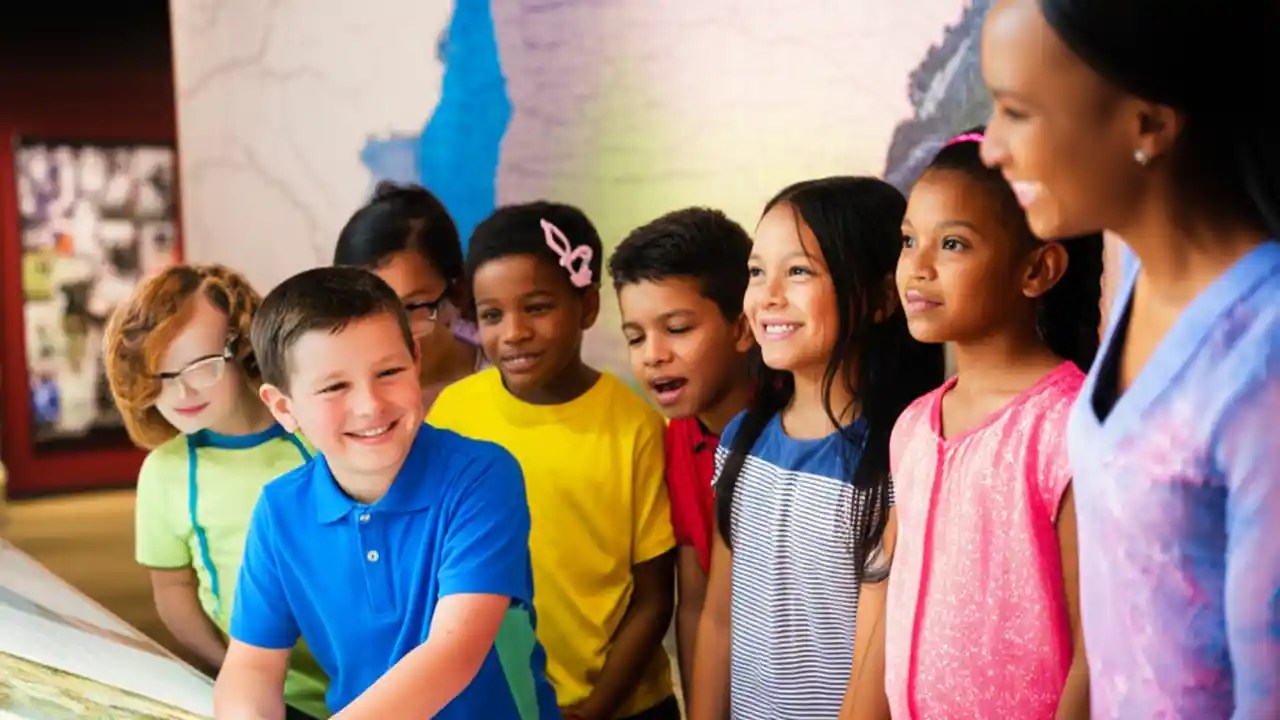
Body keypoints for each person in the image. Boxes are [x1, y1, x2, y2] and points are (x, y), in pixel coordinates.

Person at [980, 0, 1280, 716]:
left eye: (1017, 112)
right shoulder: (1140, 276)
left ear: (1148, 125)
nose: (990, 147)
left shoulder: (1263, 360)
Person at [212, 267, 558, 719]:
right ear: (283, 407)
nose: (370, 405)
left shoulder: (481, 477)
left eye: (389, 372)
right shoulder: (280, 512)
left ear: (416, 359)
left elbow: (452, 655)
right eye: (335, 387)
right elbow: (252, 665)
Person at [847, 129, 1101, 720]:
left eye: (953, 244)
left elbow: (1097, 654)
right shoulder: (913, 427)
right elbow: (890, 612)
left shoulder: (1067, 428)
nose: (917, 268)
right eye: (909, 240)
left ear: (1037, 269)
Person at [690, 177, 944, 720]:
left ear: (880, 298)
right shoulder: (741, 442)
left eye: (799, 271)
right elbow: (718, 619)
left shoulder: (903, 462)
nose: (768, 296)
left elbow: (885, 657)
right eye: (757, 272)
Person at [429, 202, 679, 720]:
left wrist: (594, 711)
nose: (514, 332)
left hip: (623, 707)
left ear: (587, 306)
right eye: (492, 315)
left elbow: (654, 599)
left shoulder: (637, 428)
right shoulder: (454, 413)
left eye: (538, 307)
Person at [103, 264, 329, 719]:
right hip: (263, 699)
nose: (181, 392)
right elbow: (172, 588)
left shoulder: (318, 438)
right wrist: (235, 672)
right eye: (159, 376)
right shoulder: (165, 473)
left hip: (367, 684)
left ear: (242, 346)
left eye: (202, 366)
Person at [607, 207, 756, 705]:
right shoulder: (677, 436)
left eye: (677, 328)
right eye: (635, 337)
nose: (653, 354)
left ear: (743, 328)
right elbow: (694, 603)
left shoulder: (793, 432)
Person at [334, 181, 487, 411]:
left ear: (458, 292)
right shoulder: (343, 401)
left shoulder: (507, 379)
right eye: (367, 310)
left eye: (411, 308)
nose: (391, 335)